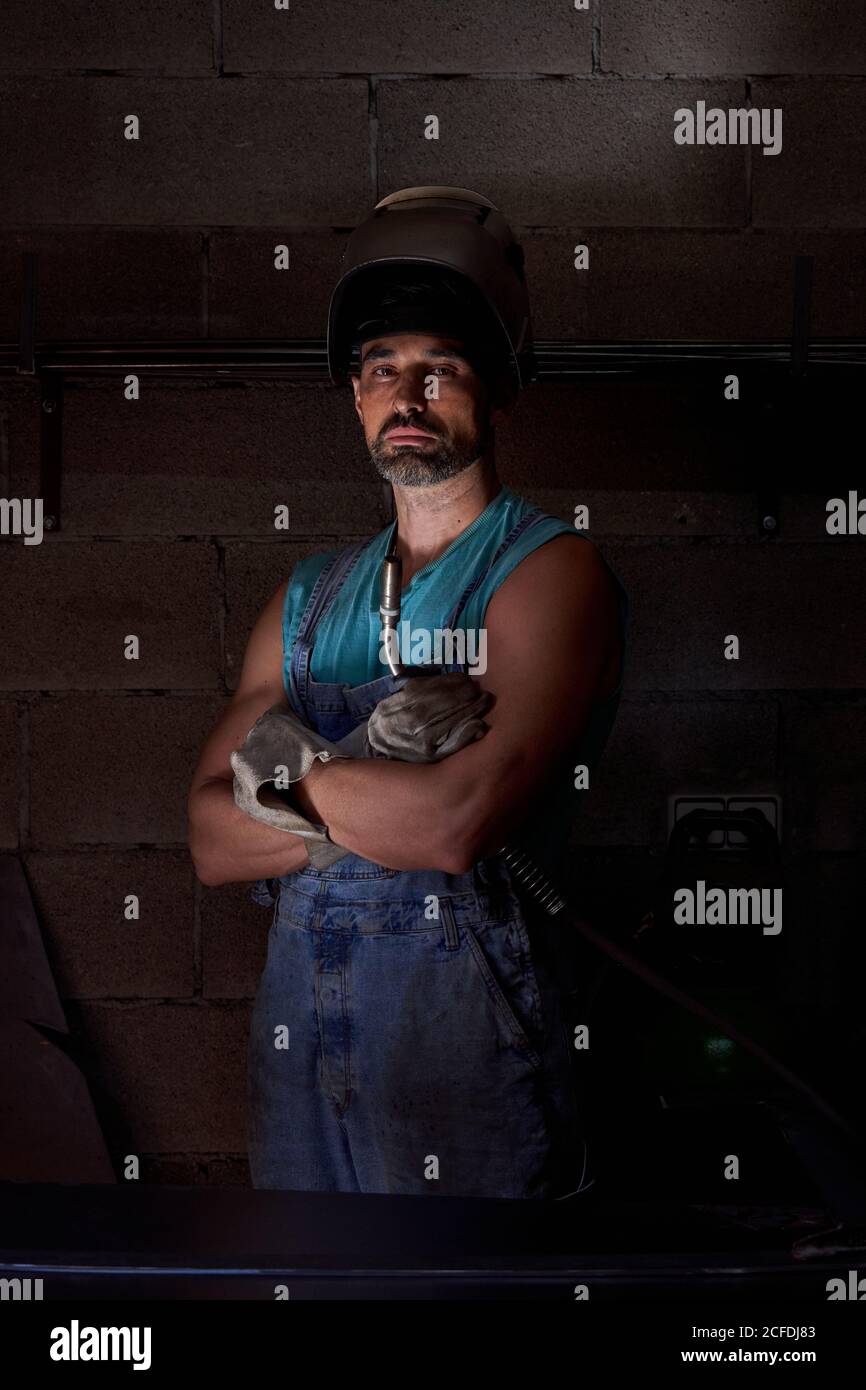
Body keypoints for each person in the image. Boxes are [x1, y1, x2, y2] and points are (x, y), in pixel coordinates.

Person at [188, 187, 629, 1199]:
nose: (408, 394)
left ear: (498, 387)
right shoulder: (305, 597)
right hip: (298, 1039)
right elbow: (209, 841)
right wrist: (379, 770)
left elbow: (453, 825)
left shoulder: (547, 572)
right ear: (353, 394)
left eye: (441, 366)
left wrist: (284, 771)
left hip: (463, 1035)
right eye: (382, 368)